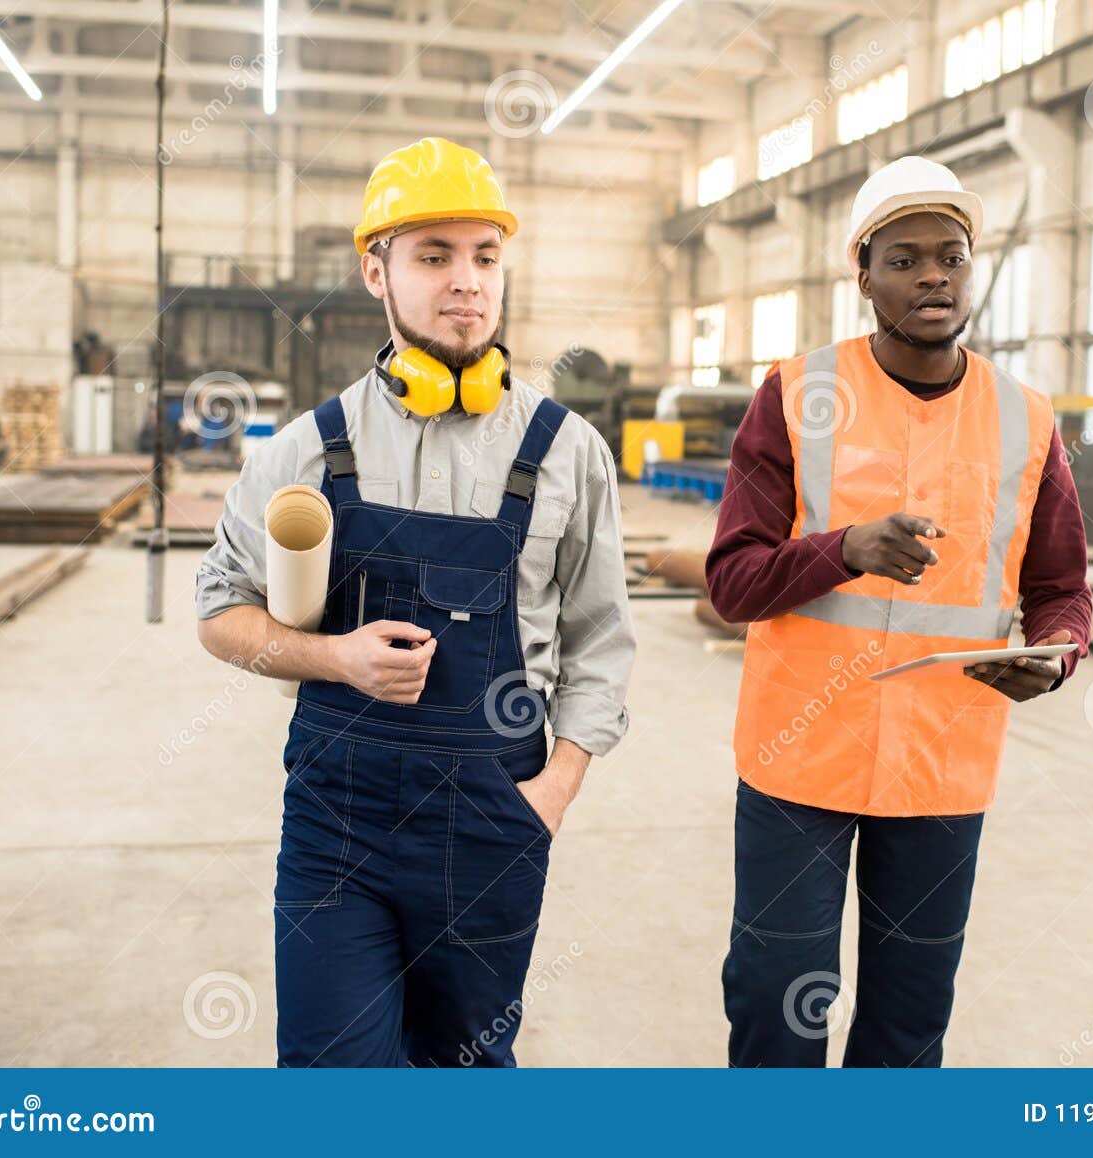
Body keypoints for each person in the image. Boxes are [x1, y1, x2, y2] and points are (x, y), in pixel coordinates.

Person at [195, 137, 636, 1067]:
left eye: (485, 256)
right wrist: (333, 658)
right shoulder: (304, 451)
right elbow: (220, 611)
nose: (466, 281)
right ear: (376, 271)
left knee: (463, 1075)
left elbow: (601, 644)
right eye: (434, 256)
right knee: (331, 1075)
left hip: (493, 818)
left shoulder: (568, 453)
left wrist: (551, 794)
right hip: (337, 822)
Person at [706, 155, 1093, 1067]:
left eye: (951, 257)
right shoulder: (797, 394)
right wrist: (841, 549)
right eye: (905, 259)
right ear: (864, 275)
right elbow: (732, 582)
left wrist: (1055, 655)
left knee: (910, 1015)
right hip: (799, 756)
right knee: (776, 992)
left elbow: (1063, 591)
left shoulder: (1025, 416)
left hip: (941, 763)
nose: (933, 277)